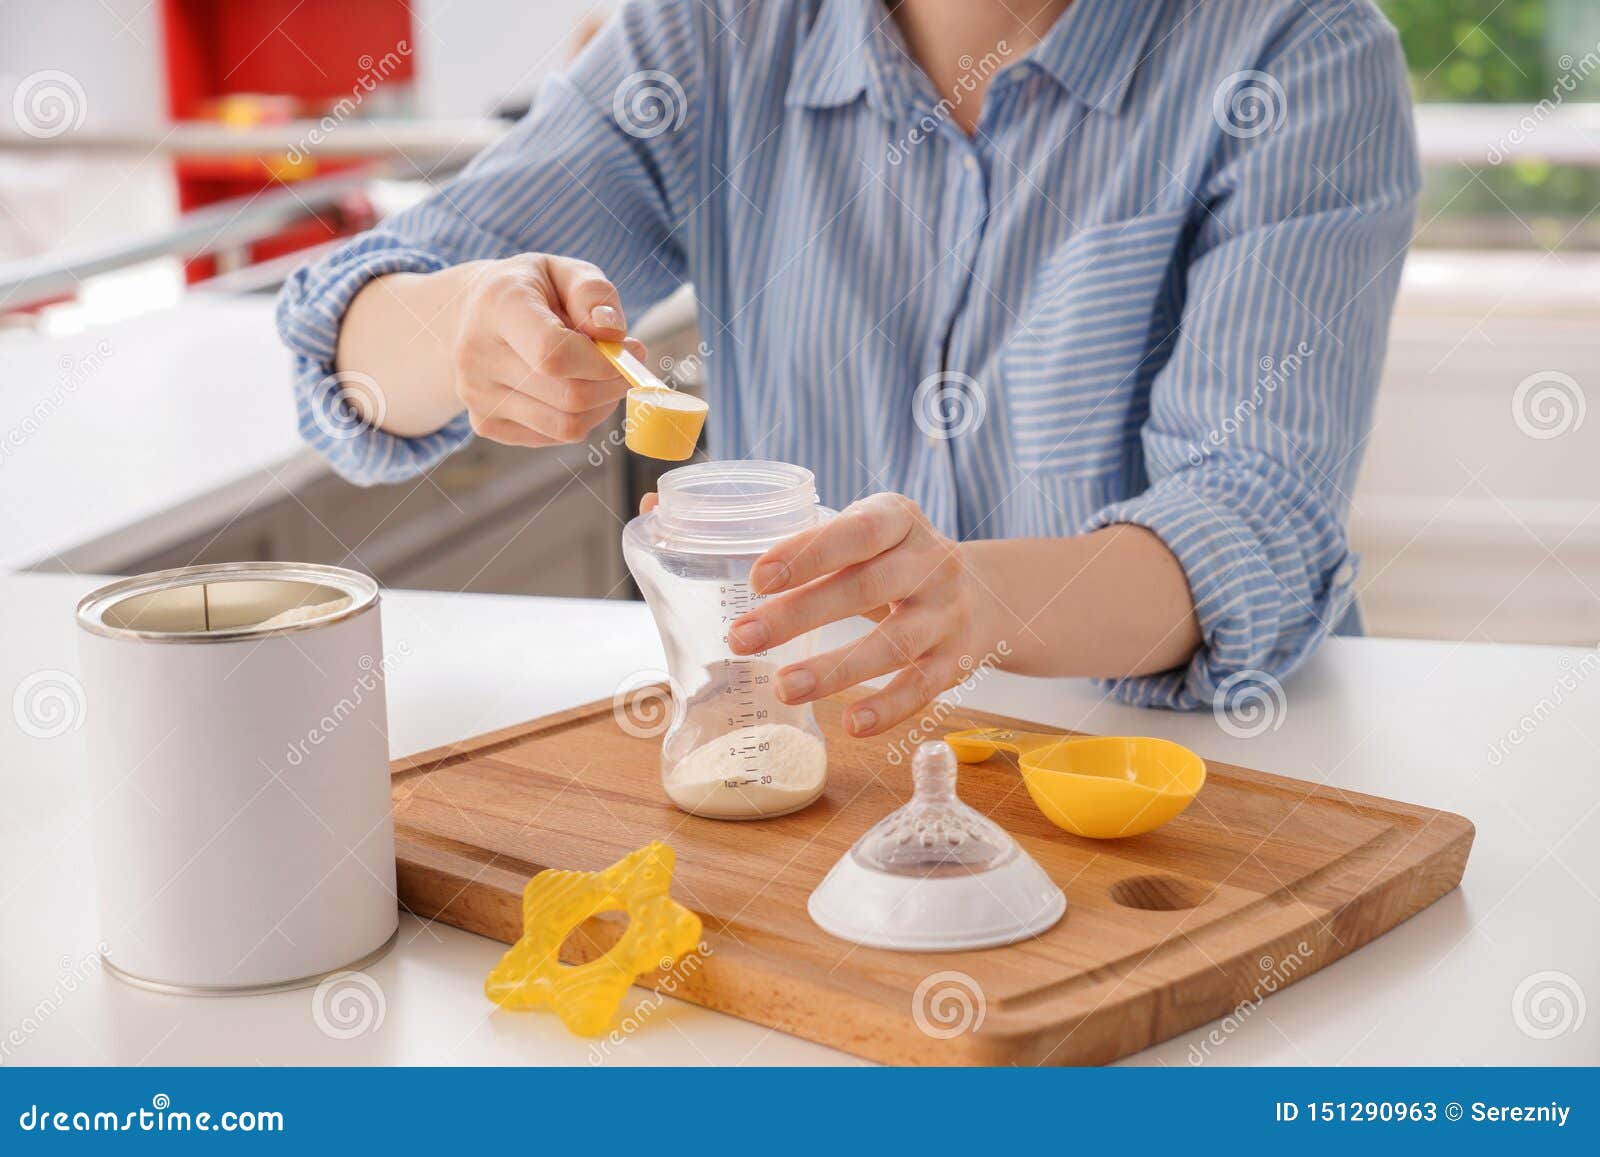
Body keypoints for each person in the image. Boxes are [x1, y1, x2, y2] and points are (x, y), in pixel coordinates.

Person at [277, 0, 1420, 738]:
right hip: (830, 764)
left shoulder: (1296, 54)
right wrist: (459, 322)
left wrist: (973, 602)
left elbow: (1254, 522)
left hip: (1189, 779)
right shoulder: (713, 34)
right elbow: (350, 339)